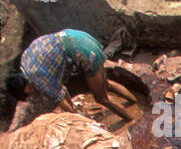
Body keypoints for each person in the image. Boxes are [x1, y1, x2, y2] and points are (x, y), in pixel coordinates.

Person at [6, 30, 135, 123]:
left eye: (29, 96)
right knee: (106, 84)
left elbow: (63, 104)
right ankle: (134, 103)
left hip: (82, 52)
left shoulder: (40, 81)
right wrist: (74, 108)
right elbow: (63, 90)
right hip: (78, 37)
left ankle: (131, 120)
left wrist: (79, 119)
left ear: (26, 89)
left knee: (102, 99)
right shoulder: (25, 60)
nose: (33, 97)